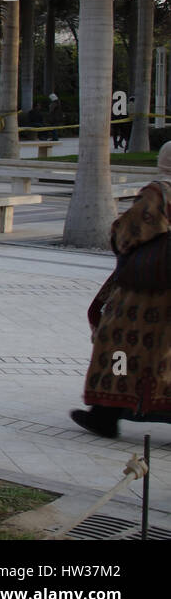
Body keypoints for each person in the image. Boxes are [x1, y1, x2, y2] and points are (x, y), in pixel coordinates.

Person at [69, 141, 171, 438]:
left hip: (147, 295)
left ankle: (105, 415)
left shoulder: (159, 193)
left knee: (118, 344)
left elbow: (128, 234)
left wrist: (117, 234)